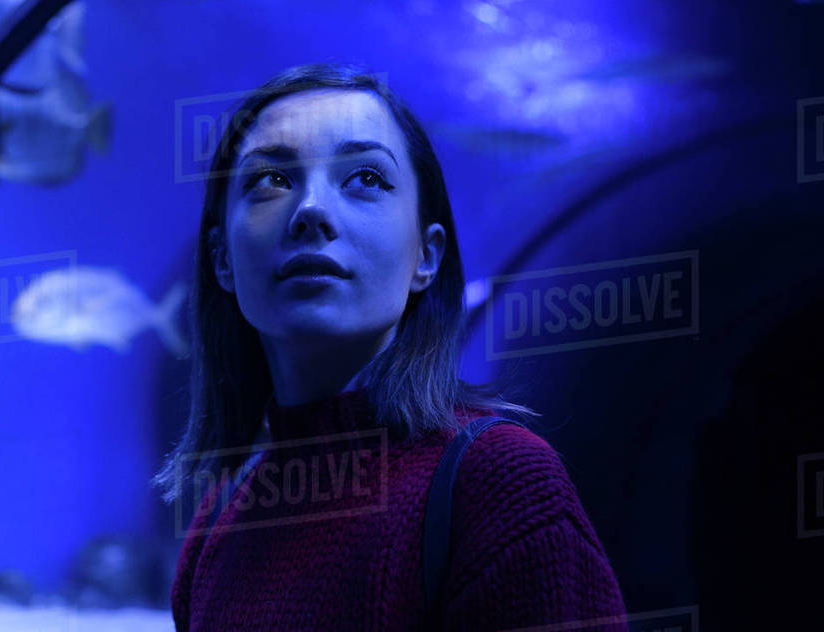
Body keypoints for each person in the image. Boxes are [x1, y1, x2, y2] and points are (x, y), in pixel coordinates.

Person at [153, 64, 628, 630]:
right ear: (222, 259)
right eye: (270, 180)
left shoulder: (499, 485)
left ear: (425, 257)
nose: (311, 211)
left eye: (366, 179)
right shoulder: (220, 518)